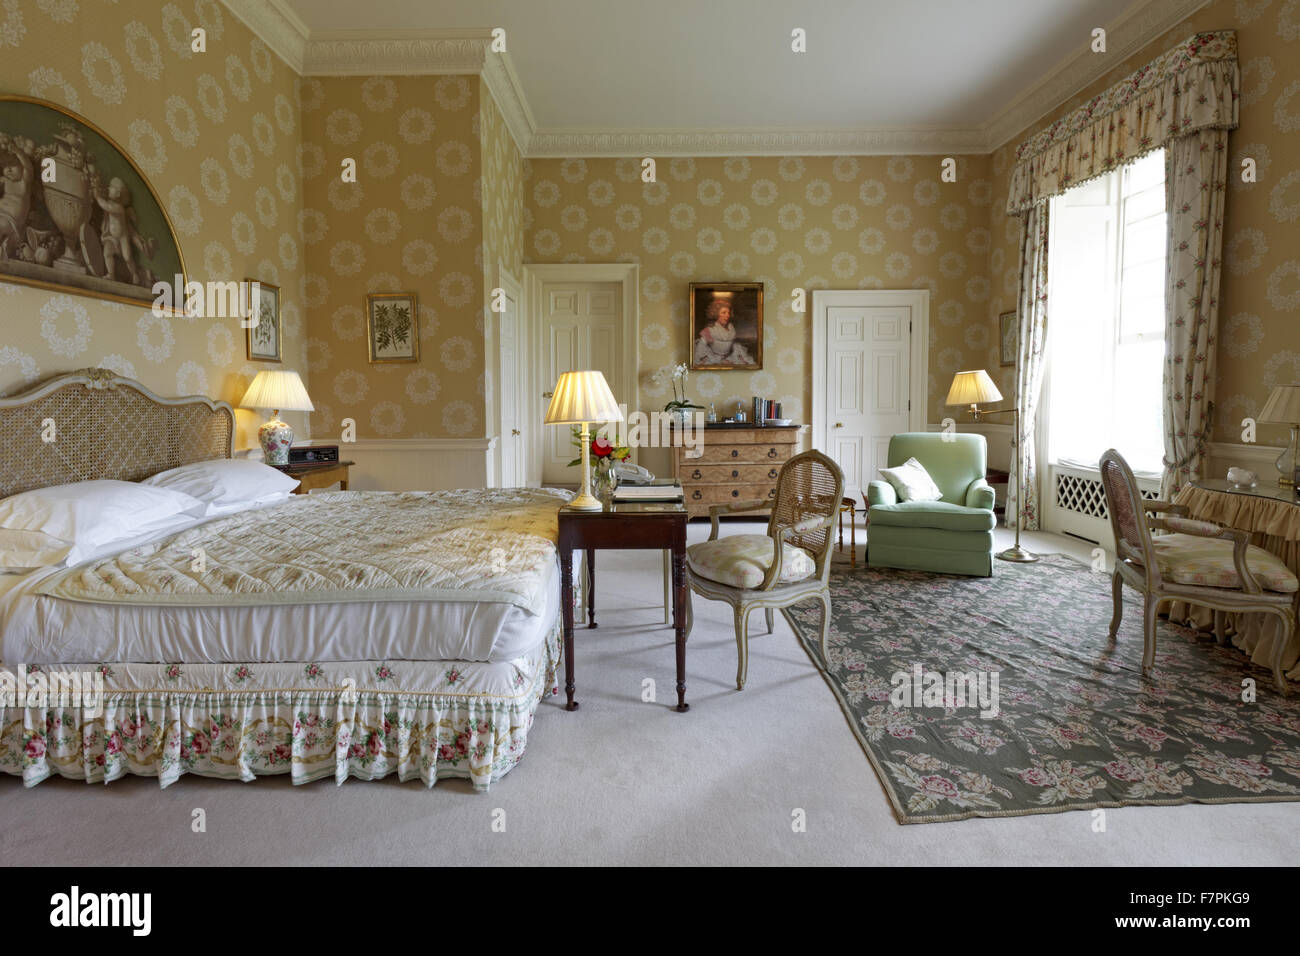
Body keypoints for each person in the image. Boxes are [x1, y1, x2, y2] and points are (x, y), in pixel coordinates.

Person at [693, 297, 753, 366]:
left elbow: (731, 346)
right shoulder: (709, 330)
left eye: (728, 313)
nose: (727, 315)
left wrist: (729, 357)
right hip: (713, 358)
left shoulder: (731, 329)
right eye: (723, 313)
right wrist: (718, 360)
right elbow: (700, 349)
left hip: (730, 357)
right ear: (716, 314)